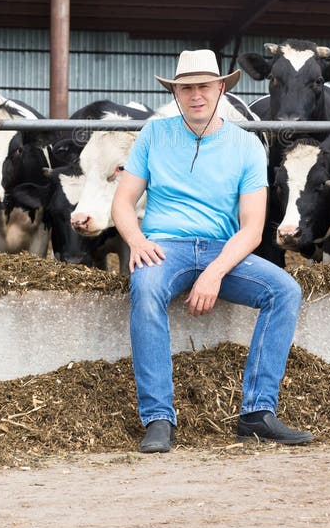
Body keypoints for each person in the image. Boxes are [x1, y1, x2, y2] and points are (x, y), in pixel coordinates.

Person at [111, 49, 313, 453]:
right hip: (164, 248)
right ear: (176, 93)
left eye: (204, 86)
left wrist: (215, 272)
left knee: (285, 290)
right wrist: (137, 241)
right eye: (186, 88)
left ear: (221, 89)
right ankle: (158, 418)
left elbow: (253, 228)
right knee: (145, 288)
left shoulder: (247, 145)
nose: (196, 95)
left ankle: (257, 414)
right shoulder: (154, 134)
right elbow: (122, 202)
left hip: (224, 249)